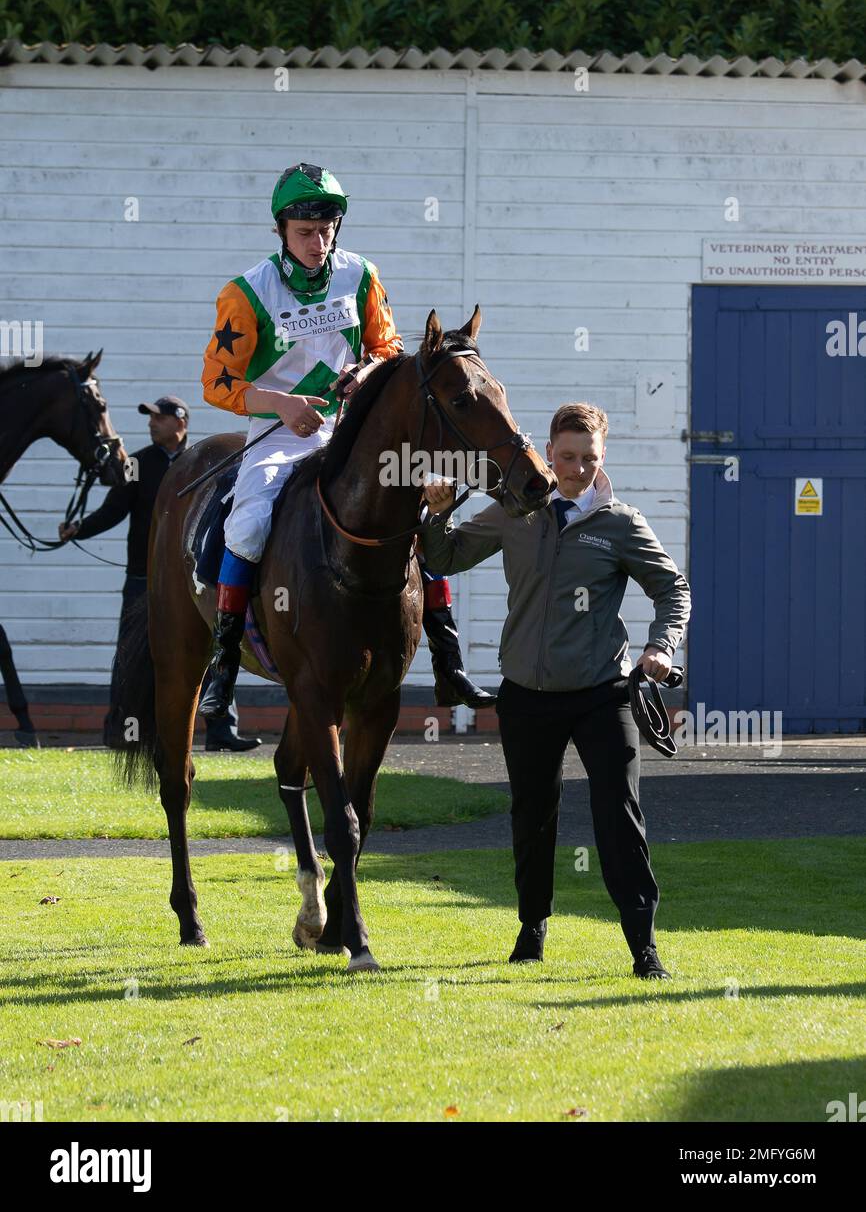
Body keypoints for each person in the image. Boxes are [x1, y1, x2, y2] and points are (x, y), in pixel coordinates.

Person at [199, 163, 490, 719]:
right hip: (279, 433)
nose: (319, 241)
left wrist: (365, 372)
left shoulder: (360, 275)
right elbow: (216, 383)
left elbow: (388, 345)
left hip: (350, 431)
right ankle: (223, 665)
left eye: (328, 228)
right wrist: (282, 404)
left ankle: (448, 664)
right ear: (282, 228)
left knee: (414, 507)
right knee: (249, 520)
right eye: (306, 231)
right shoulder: (245, 293)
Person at [421, 401, 691, 979]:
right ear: (548, 452)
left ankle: (643, 947)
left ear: (602, 457)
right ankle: (531, 928)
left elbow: (674, 590)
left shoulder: (620, 523)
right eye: (566, 457)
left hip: (602, 693)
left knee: (619, 815)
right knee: (532, 814)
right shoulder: (515, 508)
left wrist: (661, 649)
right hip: (526, 694)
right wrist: (437, 514)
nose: (576, 469)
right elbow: (442, 557)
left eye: (588, 459)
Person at [59, 397, 260, 752]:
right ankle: (122, 729)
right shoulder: (136, 464)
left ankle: (220, 731)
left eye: (159, 418)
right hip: (143, 576)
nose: (152, 424)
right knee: (133, 651)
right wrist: (80, 529)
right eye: (150, 418)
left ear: (180, 422)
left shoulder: (203, 462)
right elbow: (114, 510)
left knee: (218, 644)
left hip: (193, 579)